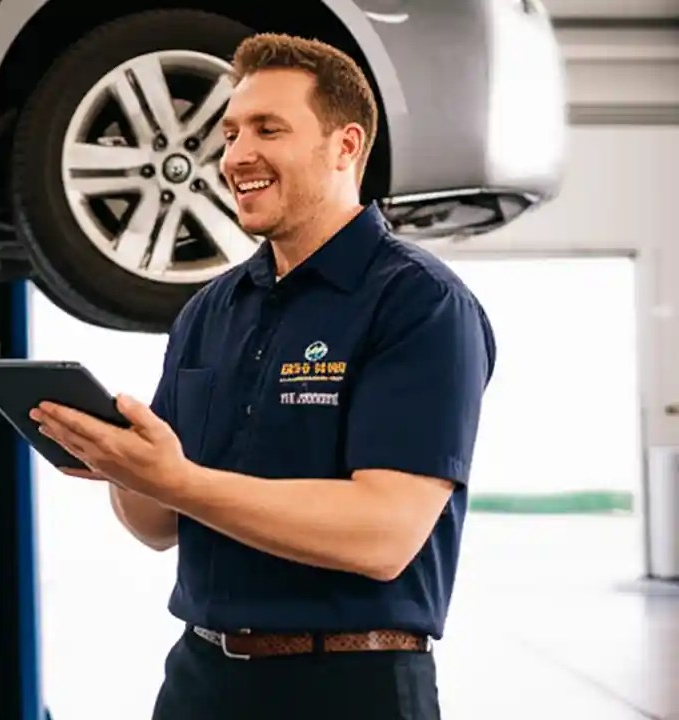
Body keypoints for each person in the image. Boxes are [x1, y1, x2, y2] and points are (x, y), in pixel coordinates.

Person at [31, 33, 495, 719]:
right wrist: (124, 468)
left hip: (351, 686)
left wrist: (179, 480)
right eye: (229, 132)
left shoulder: (420, 303)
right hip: (201, 678)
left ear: (345, 146)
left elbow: (382, 535)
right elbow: (160, 525)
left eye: (268, 129)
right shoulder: (209, 309)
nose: (236, 155)